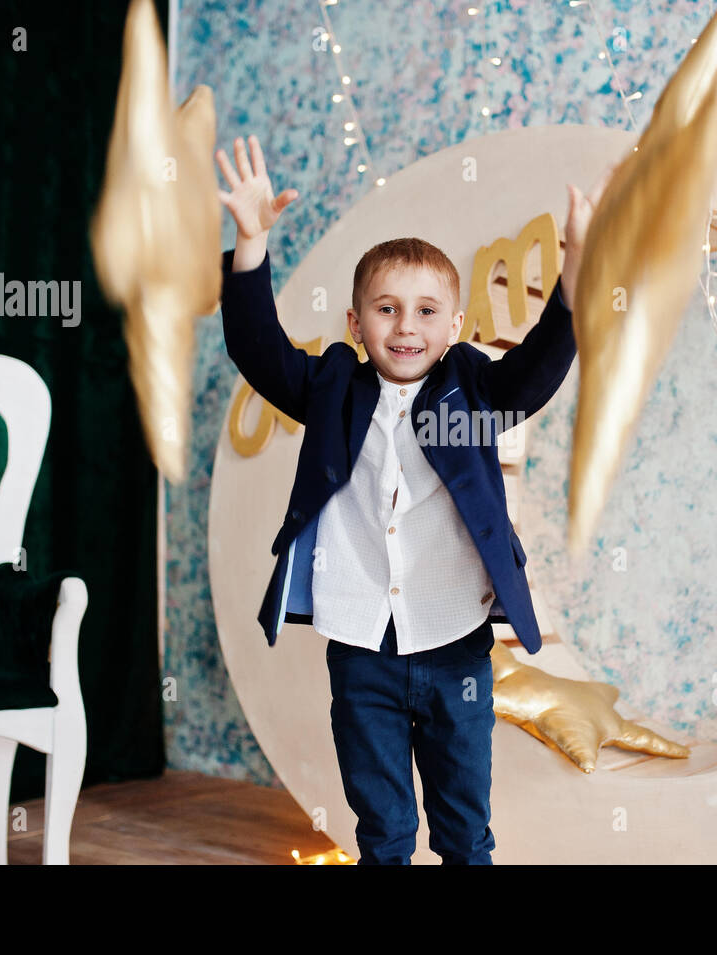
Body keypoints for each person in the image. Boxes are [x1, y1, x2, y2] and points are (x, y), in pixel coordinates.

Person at [215, 133, 607, 864]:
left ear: (454, 328)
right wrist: (250, 243)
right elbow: (259, 349)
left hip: (456, 644)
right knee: (384, 831)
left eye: (427, 311)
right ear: (356, 325)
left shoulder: (472, 388)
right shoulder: (333, 386)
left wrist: (577, 274)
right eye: (387, 309)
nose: (407, 325)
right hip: (361, 646)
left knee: (464, 830)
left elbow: (537, 374)